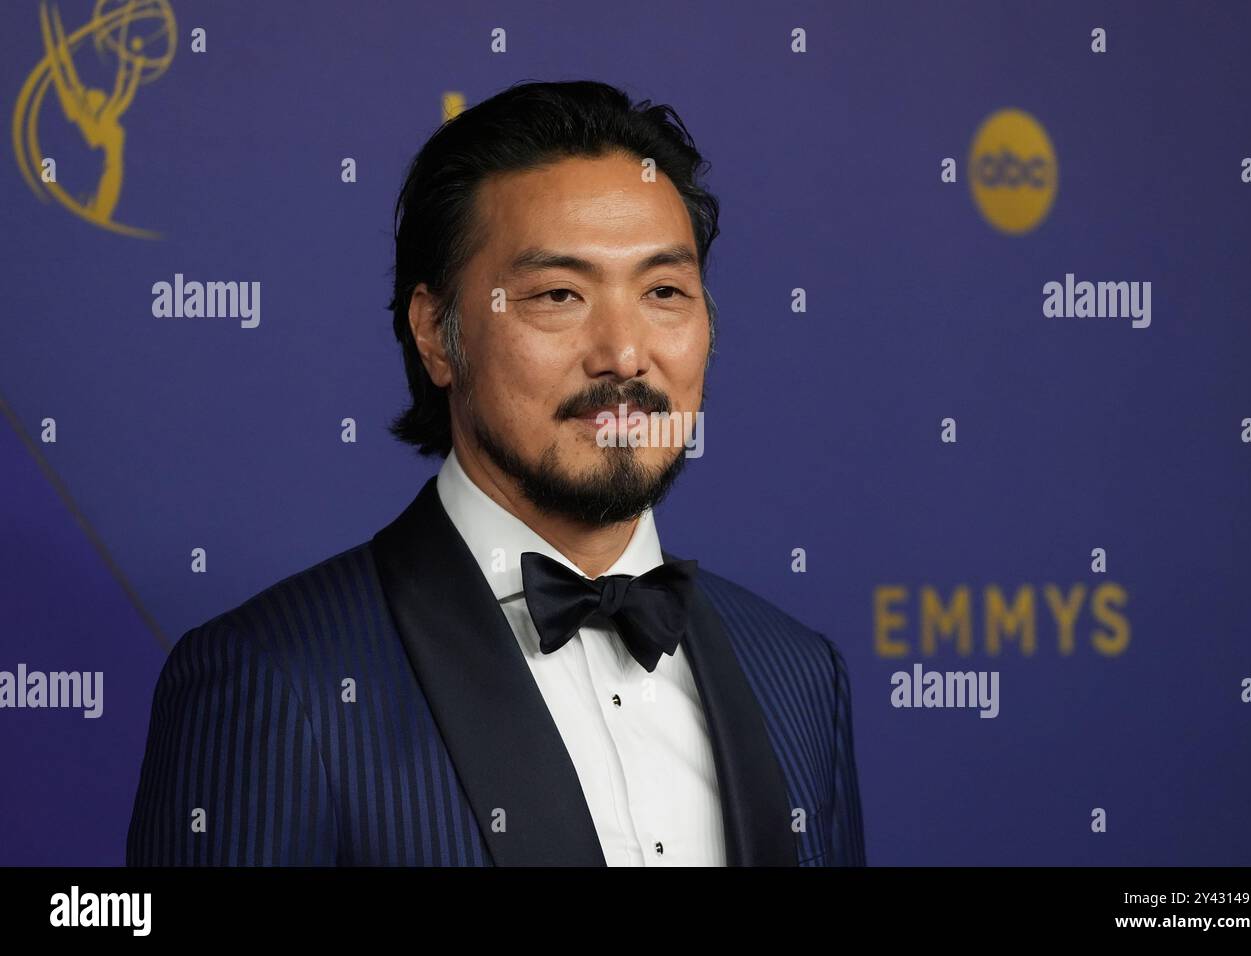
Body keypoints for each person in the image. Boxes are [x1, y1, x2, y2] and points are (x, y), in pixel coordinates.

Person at [126, 79, 866, 867]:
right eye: (558, 294)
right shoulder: (275, 681)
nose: (623, 352)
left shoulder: (798, 675)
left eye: (663, 292)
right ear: (437, 336)